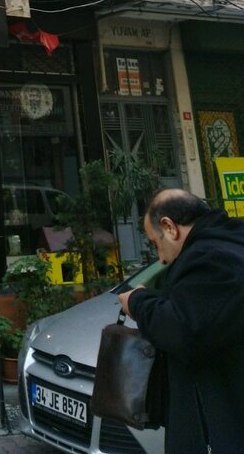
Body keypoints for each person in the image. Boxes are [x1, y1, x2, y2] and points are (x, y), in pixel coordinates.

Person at [118, 188, 244, 453]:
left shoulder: (211, 259)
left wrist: (138, 302)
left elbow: (182, 329)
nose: (161, 257)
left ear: (169, 227)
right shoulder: (229, 245)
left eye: (155, 243)